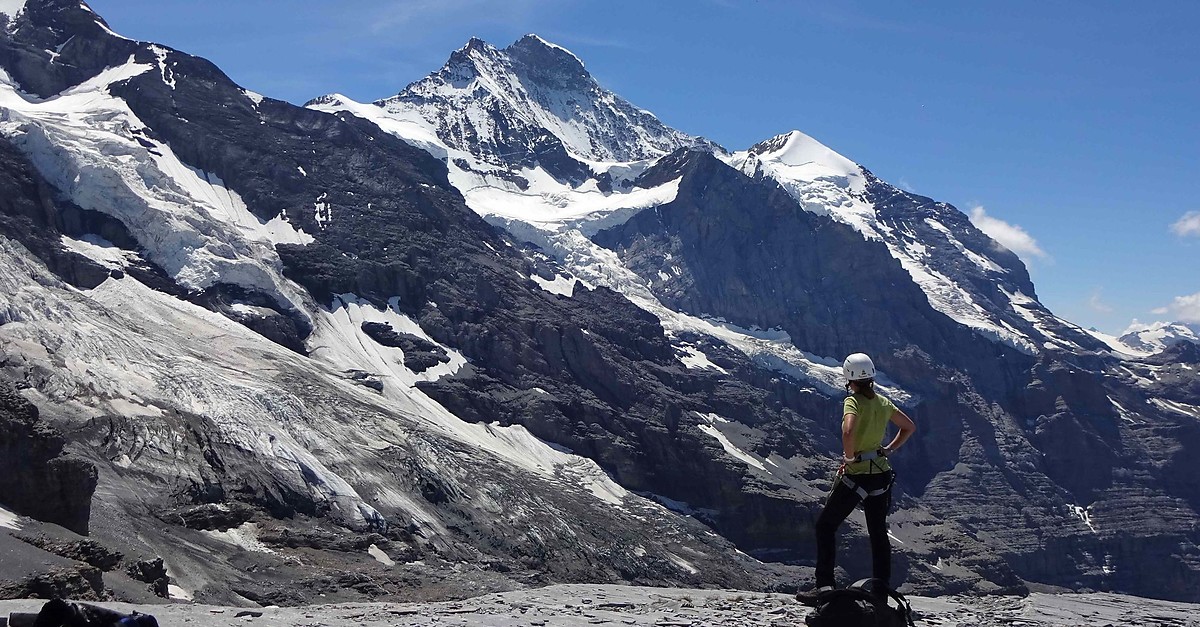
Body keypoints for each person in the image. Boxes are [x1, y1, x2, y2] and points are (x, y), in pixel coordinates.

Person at [797, 352, 916, 606]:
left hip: (857, 475)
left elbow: (848, 430)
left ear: (848, 378)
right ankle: (880, 596)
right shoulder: (883, 402)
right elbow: (908, 426)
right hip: (881, 475)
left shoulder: (853, 402)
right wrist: (889, 449)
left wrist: (849, 458)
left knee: (826, 526)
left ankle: (825, 587)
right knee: (878, 534)